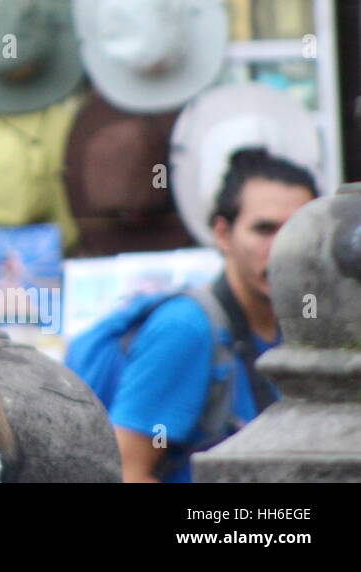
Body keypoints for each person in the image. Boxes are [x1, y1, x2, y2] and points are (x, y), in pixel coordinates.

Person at [111, 147, 316, 482]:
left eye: (296, 231)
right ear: (223, 234)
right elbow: (127, 472)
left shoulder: (302, 326)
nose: (283, 248)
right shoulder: (186, 329)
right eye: (264, 229)